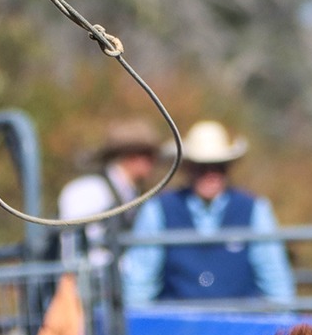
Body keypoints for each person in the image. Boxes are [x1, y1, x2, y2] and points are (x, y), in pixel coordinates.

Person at [121, 121, 294, 306]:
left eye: (218, 166)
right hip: (176, 320)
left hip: (239, 320)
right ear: (188, 167)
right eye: (201, 166)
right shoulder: (158, 209)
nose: (211, 174)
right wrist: (137, 321)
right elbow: (140, 282)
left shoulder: (255, 209)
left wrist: (283, 317)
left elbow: (274, 278)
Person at [57, 119, 163, 259]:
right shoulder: (89, 190)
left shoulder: (132, 193)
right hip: (92, 271)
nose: (153, 161)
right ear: (129, 155)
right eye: (147, 154)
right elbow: (73, 244)